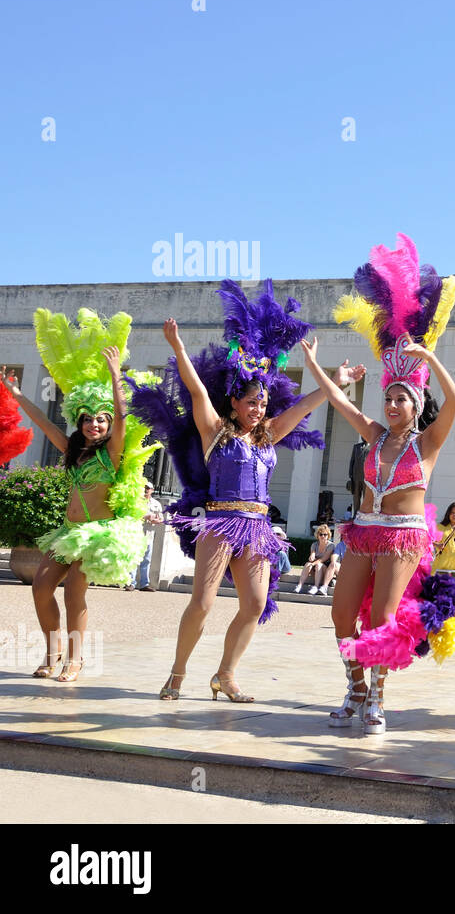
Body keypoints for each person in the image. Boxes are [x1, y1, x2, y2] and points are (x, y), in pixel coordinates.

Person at [132, 281, 332, 703]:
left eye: (262, 402)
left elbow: (307, 405)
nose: (259, 407)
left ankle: (226, 674)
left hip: (258, 528)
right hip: (220, 522)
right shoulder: (216, 433)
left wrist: (339, 380)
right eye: (251, 402)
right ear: (236, 404)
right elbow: (196, 390)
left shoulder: (269, 435)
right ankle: (177, 672)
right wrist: (178, 347)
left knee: (256, 604)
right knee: (202, 603)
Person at [310, 233, 455, 735]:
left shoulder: (427, 444)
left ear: (416, 406)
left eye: (402, 400)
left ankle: (377, 697)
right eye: (389, 398)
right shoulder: (374, 434)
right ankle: (354, 688)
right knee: (340, 615)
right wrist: (315, 366)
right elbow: (341, 402)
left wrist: (427, 357)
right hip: (362, 530)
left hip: (401, 535)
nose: (392, 406)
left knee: (381, 618)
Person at [2, 310, 159, 683]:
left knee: (74, 590)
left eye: (100, 418)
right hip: (69, 531)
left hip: (101, 531)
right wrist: (19, 395)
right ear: (80, 420)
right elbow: (44, 423)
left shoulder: (113, 453)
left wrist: (115, 375)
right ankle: (52, 652)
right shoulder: (74, 450)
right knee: (41, 587)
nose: (95, 424)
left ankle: (76, 660)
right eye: (88, 418)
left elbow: (122, 417)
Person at [128, 480, 165, 592]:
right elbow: (132, 514)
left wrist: (157, 520)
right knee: (133, 557)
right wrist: (146, 517)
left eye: (148, 488)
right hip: (136, 531)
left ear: (152, 490)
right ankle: (131, 583)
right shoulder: (136, 501)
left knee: (146, 559)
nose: (145, 490)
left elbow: (161, 518)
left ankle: (144, 584)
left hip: (149, 533)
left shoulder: (156, 504)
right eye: (144, 487)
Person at [295, 524, 339, 595]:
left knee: (318, 564)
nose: (323, 536)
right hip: (316, 569)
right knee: (307, 564)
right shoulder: (314, 545)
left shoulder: (331, 546)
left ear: (328, 535)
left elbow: (323, 559)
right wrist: (312, 556)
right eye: (321, 534)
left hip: (326, 569)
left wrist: (313, 563)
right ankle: (299, 585)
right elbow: (312, 554)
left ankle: (316, 586)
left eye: (325, 534)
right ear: (317, 535)